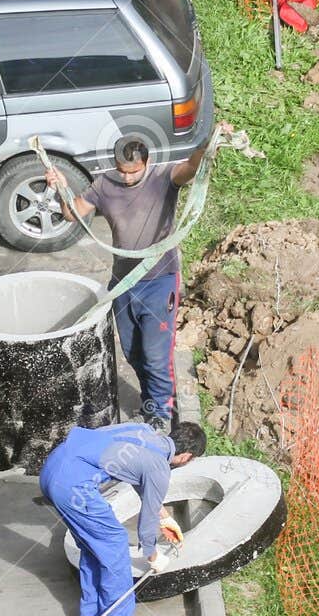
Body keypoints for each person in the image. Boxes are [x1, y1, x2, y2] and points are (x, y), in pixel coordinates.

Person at [48, 131, 214, 430]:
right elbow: (72, 214)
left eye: (134, 171)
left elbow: (193, 165)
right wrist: (60, 186)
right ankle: (151, 404)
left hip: (159, 280)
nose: (127, 178)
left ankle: (162, 415)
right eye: (123, 172)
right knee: (133, 352)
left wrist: (210, 142)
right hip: (123, 283)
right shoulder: (103, 186)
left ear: (146, 163)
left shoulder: (165, 177)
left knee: (155, 354)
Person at [39, 420, 206, 616]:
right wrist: (153, 555)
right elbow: (146, 523)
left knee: (94, 545)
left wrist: (164, 518)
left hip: (52, 468)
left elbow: (137, 474)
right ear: (186, 457)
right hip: (72, 487)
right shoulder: (159, 467)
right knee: (115, 542)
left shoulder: (145, 433)